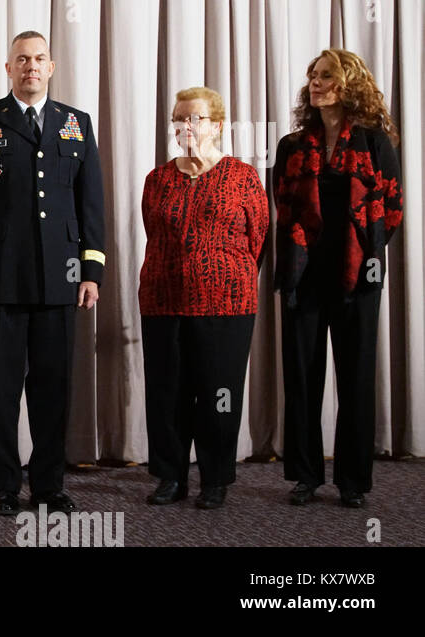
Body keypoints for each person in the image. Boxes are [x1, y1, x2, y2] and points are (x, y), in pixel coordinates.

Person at [0, 30, 105, 516]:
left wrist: (91, 270)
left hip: (61, 280)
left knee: (53, 386)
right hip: (0, 280)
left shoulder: (75, 123)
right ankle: (5, 485)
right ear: (8, 69)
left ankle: (49, 485)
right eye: (22, 59)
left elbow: (91, 203)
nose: (31, 66)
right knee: (3, 387)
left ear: (51, 67)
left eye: (39, 59)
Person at [274, 49, 402, 509]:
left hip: (357, 276)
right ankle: (305, 476)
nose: (316, 82)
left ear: (348, 83)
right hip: (304, 275)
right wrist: (286, 271)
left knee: (356, 378)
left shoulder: (373, 142)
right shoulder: (291, 145)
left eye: (326, 75)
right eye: (312, 75)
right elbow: (284, 210)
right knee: (302, 378)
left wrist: (367, 257)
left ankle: (352, 481)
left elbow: (391, 209)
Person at [139, 87, 269, 509]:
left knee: (218, 394)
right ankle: (170, 476)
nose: (185, 127)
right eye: (179, 119)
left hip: (227, 305)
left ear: (217, 125)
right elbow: (153, 234)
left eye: (194, 119)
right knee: (167, 393)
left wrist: (228, 274)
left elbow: (259, 239)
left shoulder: (243, 177)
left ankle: (215, 479)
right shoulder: (157, 179)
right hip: (163, 301)